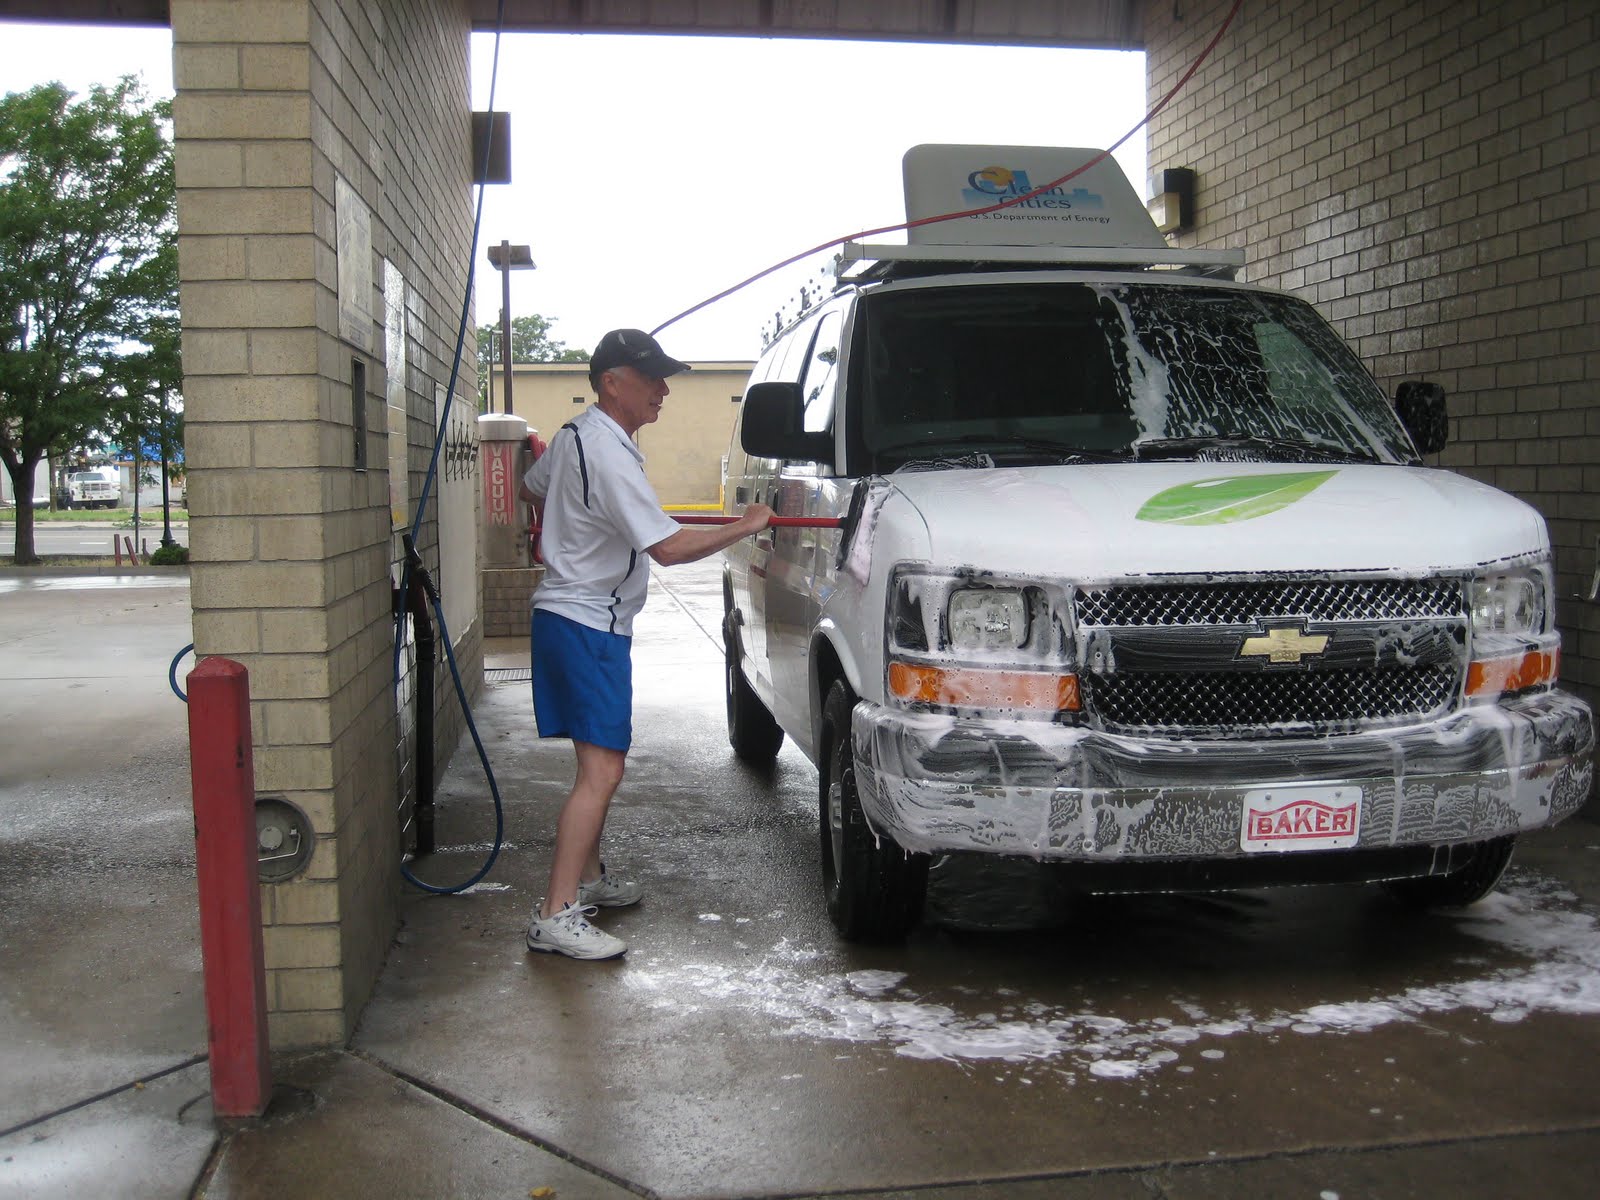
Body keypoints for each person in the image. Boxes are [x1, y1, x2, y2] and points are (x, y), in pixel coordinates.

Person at [518, 328, 773, 960]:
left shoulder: (578, 437)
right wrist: (745, 527)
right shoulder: (605, 453)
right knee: (603, 770)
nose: (663, 390)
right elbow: (668, 547)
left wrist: (570, 516)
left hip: (567, 616)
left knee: (592, 766)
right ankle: (555, 914)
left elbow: (531, 486)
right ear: (611, 382)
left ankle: (589, 878)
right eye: (651, 377)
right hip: (588, 624)